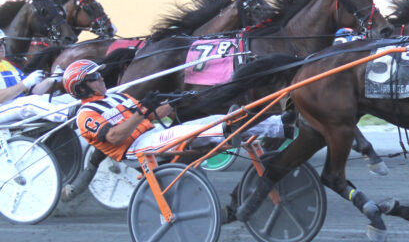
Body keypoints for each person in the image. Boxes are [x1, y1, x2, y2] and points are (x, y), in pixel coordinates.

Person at [61, 59, 286, 202]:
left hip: (154, 134)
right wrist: (143, 111)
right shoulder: (86, 115)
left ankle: (280, 125)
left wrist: (175, 100)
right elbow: (114, 136)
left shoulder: (118, 96)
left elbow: (149, 113)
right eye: (94, 78)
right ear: (81, 88)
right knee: (199, 130)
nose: (101, 78)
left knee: (219, 117)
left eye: (99, 75)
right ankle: (229, 129)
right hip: (136, 149)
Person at [0, 28, 70, 123]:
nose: (2, 46)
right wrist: (25, 83)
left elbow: (34, 91)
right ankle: (67, 117)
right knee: (29, 102)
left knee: (62, 98)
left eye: (3, 42)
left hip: (14, 106)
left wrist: (51, 79)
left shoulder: (7, 65)